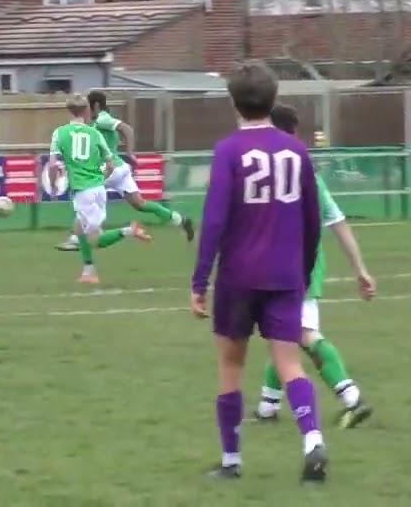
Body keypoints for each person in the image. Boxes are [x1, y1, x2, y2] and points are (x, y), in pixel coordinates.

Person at [190, 61, 327, 483]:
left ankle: (231, 461)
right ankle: (312, 440)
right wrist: (302, 272)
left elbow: (214, 220)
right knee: (288, 362)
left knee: (231, 364)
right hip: (285, 273)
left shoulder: (228, 151)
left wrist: (199, 281)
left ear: (233, 102)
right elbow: (312, 220)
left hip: (238, 275)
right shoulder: (297, 151)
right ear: (273, 99)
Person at [253, 104, 377, 429]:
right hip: (300, 270)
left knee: (303, 335)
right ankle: (266, 407)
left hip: (286, 271)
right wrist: (359, 269)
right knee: (284, 336)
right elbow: (339, 223)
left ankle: (352, 397)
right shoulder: (308, 174)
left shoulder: (267, 174)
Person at [55, 90, 192, 250]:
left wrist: (130, 152)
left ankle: (75, 238)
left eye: (87, 107)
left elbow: (126, 128)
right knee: (140, 204)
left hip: (109, 169)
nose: (86, 111)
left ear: (96, 106)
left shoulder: (102, 119)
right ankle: (180, 220)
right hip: (120, 169)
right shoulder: (95, 123)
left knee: (84, 190)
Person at [46, 94, 151, 284]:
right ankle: (88, 272)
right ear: (85, 111)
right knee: (79, 229)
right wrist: (99, 177)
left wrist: (54, 187)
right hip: (98, 189)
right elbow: (110, 164)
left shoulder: (59, 133)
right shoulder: (95, 133)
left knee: (94, 239)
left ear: (69, 110)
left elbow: (53, 165)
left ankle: (129, 231)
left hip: (83, 191)